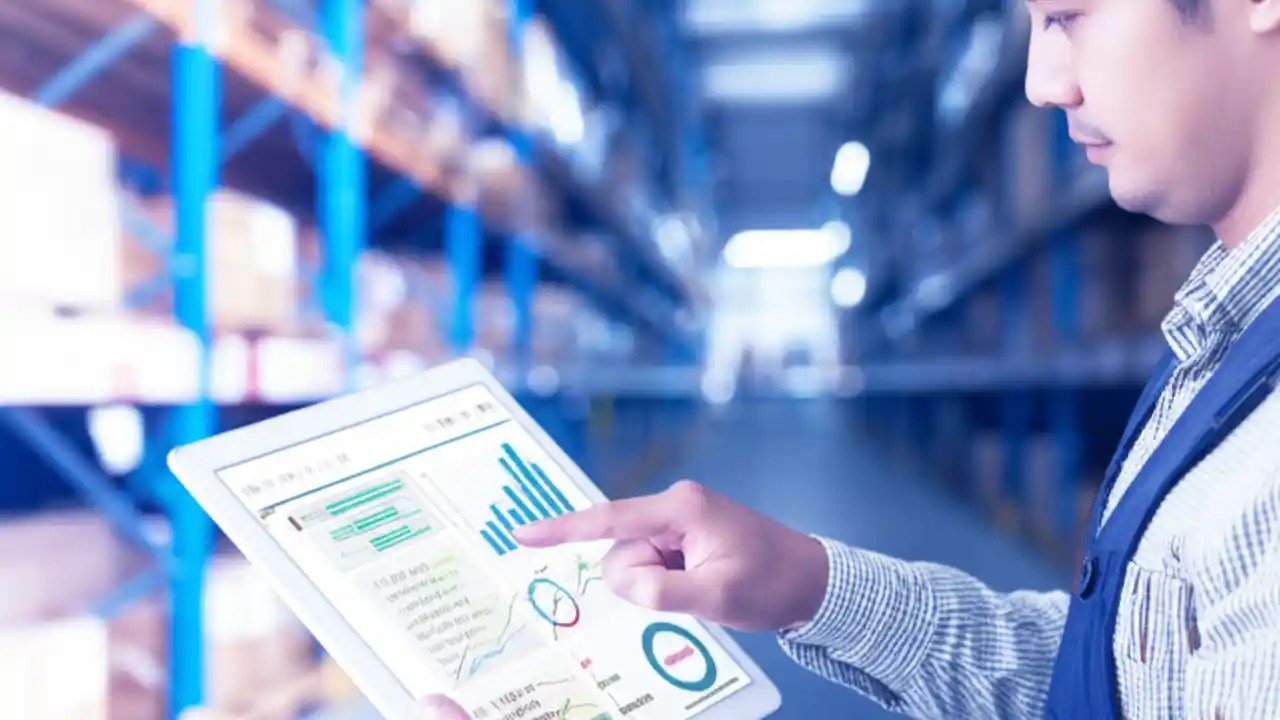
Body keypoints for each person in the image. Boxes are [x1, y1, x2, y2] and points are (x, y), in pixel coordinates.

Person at [422, 0, 1280, 717]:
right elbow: (1123, 682)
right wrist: (809, 582)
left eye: (1067, 15)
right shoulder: (1222, 341)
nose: (1041, 83)